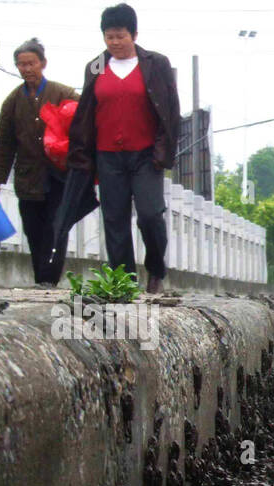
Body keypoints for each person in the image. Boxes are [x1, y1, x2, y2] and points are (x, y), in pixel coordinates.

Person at [67, 4, 180, 294]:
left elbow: (171, 110)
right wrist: (81, 155)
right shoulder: (94, 67)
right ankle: (124, 281)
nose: (115, 43)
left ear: (134, 34)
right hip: (107, 155)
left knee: (150, 214)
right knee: (114, 219)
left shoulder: (157, 64)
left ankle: (155, 268)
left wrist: (164, 151)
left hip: (145, 155)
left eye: (120, 36)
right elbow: (85, 113)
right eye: (109, 37)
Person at [0, 39, 80, 287]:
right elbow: (4, 143)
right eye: (21, 64)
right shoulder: (13, 101)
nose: (26, 69)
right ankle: (40, 277)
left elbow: (83, 125)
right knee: (33, 230)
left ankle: (49, 279)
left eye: (31, 63)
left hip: (59, 176)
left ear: (43, 63)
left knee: (56, 228)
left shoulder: (64, 94)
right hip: (28, 177)